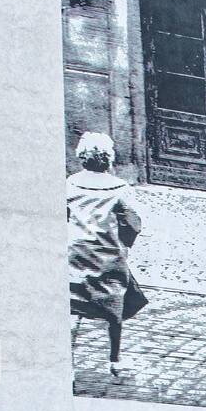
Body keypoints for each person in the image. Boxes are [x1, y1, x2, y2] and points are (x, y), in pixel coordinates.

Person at [67, 132, 142, 380]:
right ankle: (114, 360)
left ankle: (67, 362)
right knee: (114, 309)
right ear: (108, 158)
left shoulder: (70, 184)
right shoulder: (120, 188)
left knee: (72, 306)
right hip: (107, 255)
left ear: (81, 157)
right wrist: (125, 246)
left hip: (75, 253)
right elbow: (132, 223)